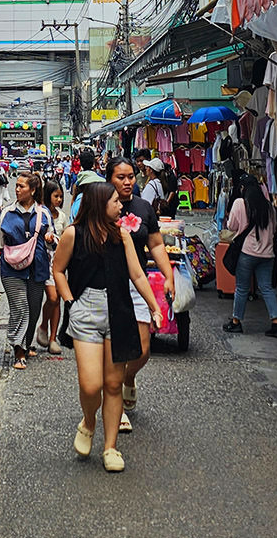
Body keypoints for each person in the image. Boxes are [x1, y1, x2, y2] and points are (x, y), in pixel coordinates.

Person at [51, 180, 161, 473]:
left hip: (119, 310)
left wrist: (153, 305)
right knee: (91, 384)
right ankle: (89, 421)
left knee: (113, 384)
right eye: (114, 201)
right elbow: (58, 270)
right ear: (100, 205)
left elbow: (137, 274)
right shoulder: (74, 234)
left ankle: (110, 447)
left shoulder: (122, 235)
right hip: (85, 311)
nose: (121, 205)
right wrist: (71, 301)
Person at [105, 157, 175, 429]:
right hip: (109, 284)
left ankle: (128, 378)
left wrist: (168, 276)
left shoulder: (144, 208)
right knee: (117, 348)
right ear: (109, 178)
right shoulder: (102, 205)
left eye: (131, 176)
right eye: (120, 177)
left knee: (143, 350)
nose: (127, 181)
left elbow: (156, 245)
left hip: (138, 284)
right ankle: (116, 407)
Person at [0, 172, 52, 369]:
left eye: (22, 186)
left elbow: (52, 244)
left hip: (37, 268)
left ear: (33, 190)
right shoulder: (7, 213)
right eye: (17, 185)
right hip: (11, 269)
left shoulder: (43, 213)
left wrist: (50, 240)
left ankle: (27, 343)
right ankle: (18, 349)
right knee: (20, 308)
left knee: (34, 308)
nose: (17, 189)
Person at [223, 175, 277, 338]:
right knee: (266, 287)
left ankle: (236, 321)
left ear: (243, 189)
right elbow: (274, 229)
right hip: (267, 253)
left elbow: (231, 226)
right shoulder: (270, 207)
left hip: (247, 253)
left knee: (242, 288)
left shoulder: (240, 203)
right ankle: (276, 322)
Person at [35, 180, 69, 354]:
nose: (59, 199)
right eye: (56, 196)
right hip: (43, 261)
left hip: (59, 261)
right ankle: (43, 325)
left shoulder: (62, 217)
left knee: (58, 301)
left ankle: (52, 337)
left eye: (61, 196)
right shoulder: (40, 213)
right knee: (53, 298)